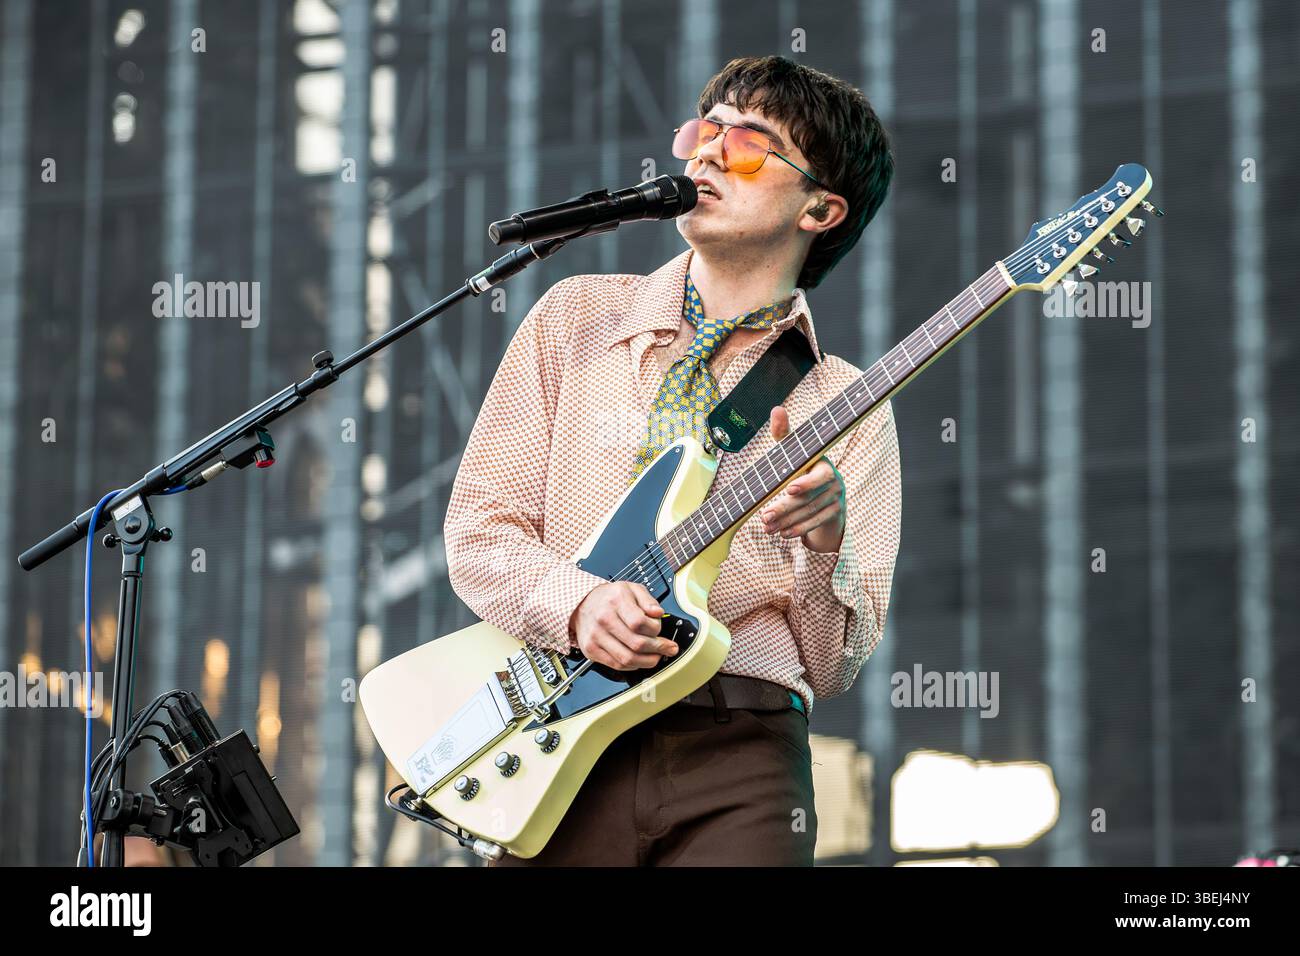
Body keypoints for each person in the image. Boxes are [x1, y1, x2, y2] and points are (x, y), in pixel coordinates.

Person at [444, 55, 900, 866]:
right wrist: (579, 605)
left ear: (822, 209)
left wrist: (825, 543)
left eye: (751, 143)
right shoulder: (575, 316)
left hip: (740, 750)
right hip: (562, 734)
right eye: (705, 130)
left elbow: (832, 666)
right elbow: (479, 532)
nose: (709, 153)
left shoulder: (848, 399)